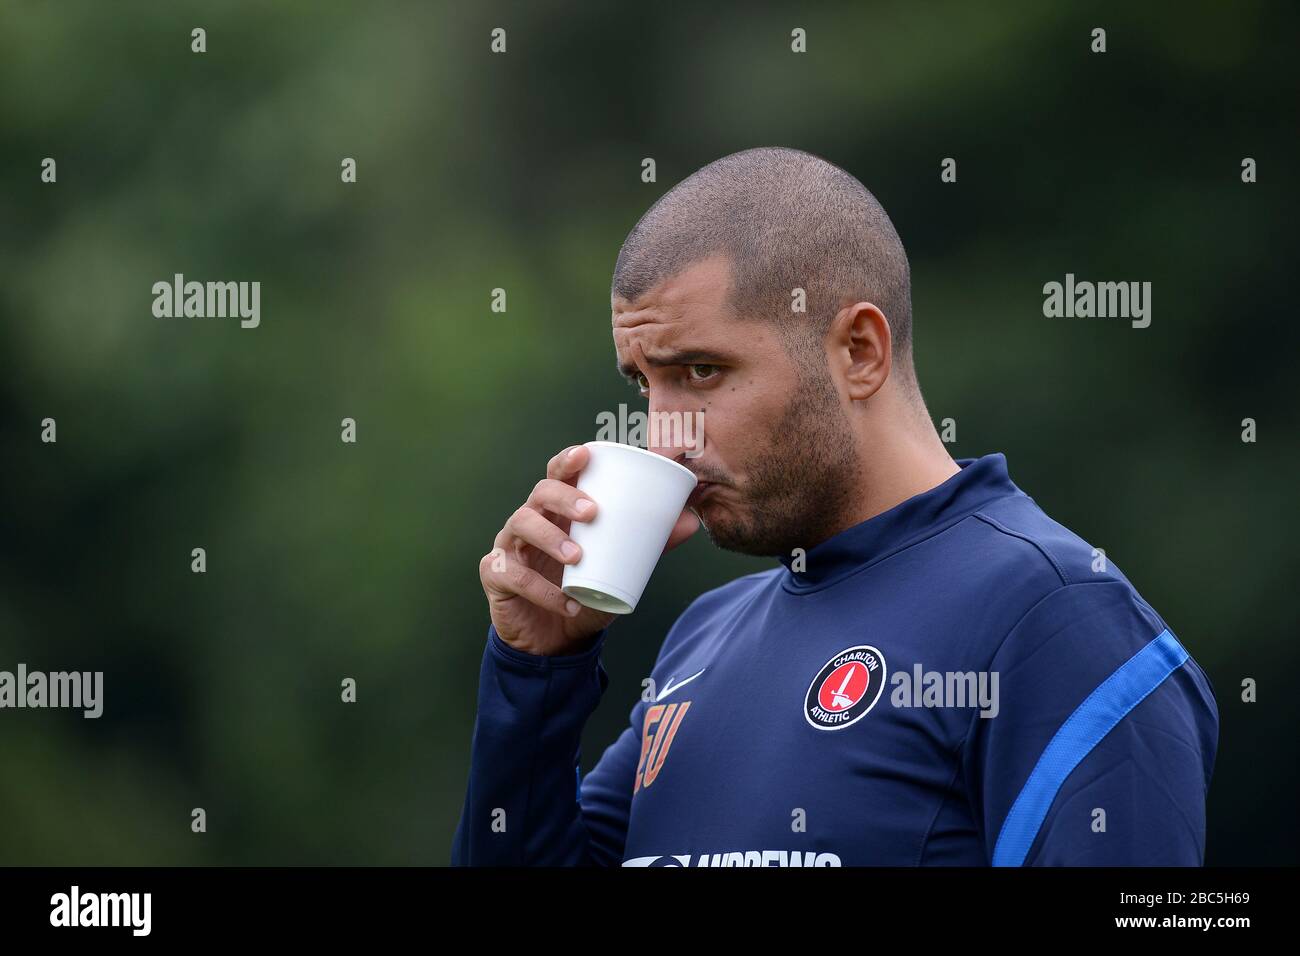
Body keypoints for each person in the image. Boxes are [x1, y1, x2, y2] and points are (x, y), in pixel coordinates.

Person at [451, 147, 1218, 866]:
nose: (664, 437)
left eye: (701, 371)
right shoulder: (703, 640)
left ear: (858, 352)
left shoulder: (1059, 621)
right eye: (644, 384)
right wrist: (536, 673)